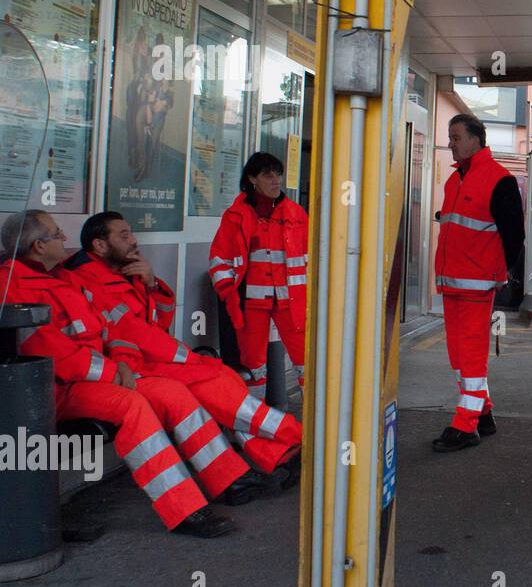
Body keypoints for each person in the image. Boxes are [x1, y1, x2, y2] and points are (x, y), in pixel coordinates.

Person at [1, 210, 239, 536]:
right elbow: (50, 350)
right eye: (57, 234)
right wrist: (113, 372)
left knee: (171, 393)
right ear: (38, 247)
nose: (64, 239)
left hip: (90, 378)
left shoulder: (60, 279)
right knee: (133, 406)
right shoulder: (13, 284)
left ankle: (228, 479)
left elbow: (110, 326)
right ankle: (185, 509)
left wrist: (123, 362)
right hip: (52, 389)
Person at [63, 211, 302, 489]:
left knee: (224, 381)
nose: (133, 240)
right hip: (128, 367)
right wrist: (188, 360)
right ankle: (292, 439)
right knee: (215, 386)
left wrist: (151, 283)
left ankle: (273, 457)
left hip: (148, 360)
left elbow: (159, 322)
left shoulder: (126, 272)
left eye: (131, 233)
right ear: (99, 245)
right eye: (124, 235)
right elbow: (129, 335)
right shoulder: (86, 280)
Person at [430, 113, 524, 453]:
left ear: (476, 139)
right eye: (450, 137)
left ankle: (465, 424)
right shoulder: (454, 181)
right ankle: (481, 413)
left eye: (456, 137)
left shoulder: (500, 179)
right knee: (457, 354)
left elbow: (515, 236)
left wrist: (499, 273)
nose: (451, 143)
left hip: (477, 283)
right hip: (453, 283)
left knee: (470, 355)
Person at [208, 152, 310, 403]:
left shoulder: (296, 214)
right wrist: (227, 293)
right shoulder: (236, 216)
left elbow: (313, 256)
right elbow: (219, 259)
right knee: (252, 366)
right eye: (268, 175)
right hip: (251, 304)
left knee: (307, 361)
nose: (276, 180)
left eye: (278, 174)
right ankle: (255, 426)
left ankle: (314, 425)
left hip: (292, 301)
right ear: (252, 178)